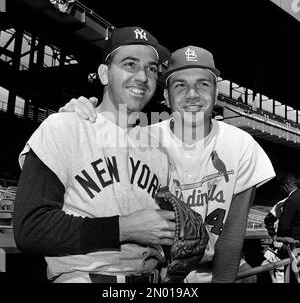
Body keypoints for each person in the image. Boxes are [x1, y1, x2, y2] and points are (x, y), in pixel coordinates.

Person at [59, 45, 276, 282]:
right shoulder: (141, 141)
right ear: (166, 96)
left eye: (203, 84)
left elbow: (231, 238)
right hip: (158, 268)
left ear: (215, 93)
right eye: (180, 85)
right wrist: (77, 116)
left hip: (213, 265)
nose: (192, 94)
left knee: (248, 278)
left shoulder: (241, 145)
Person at [13, 26, 177, 283]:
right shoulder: (63, 126)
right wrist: (125, 228)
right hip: (86, 277)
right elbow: (30, 229)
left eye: (152, 68)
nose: (143, 77)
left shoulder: (158, 151)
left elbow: (159, 231)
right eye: (130, 64)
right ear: (104, 74)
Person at [277, 173, 300, 243]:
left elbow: (285, 225)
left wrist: (278, 237)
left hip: (295, 240)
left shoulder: (291, 200)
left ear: (286, 186)